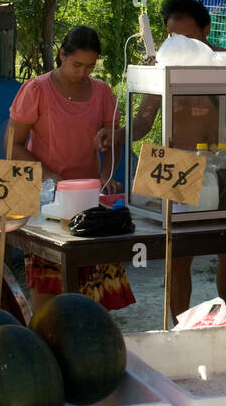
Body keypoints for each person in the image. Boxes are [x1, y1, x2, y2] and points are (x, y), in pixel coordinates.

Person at [123, 0, 226, 320]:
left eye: (190, 38)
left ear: (206, 30)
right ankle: (178, 324)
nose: (182, 46)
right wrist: (117, 134)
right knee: (178, 253)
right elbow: (144, 120)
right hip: (176, 166)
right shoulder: (165, 66)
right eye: (174, 39)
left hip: (220, 164)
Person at [9, 26, 134, 315]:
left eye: (90, 66)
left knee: (94, 284)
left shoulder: (102, 91)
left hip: (90, 202)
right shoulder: (37, 89)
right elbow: (12, 145)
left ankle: (91, 342)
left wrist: (106, 176)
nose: (83, 72)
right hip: (47, 200)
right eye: (76, 64)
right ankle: (43, 342)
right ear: (62, 54)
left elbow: (112, 141)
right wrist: (49, 175)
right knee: (47, 282)